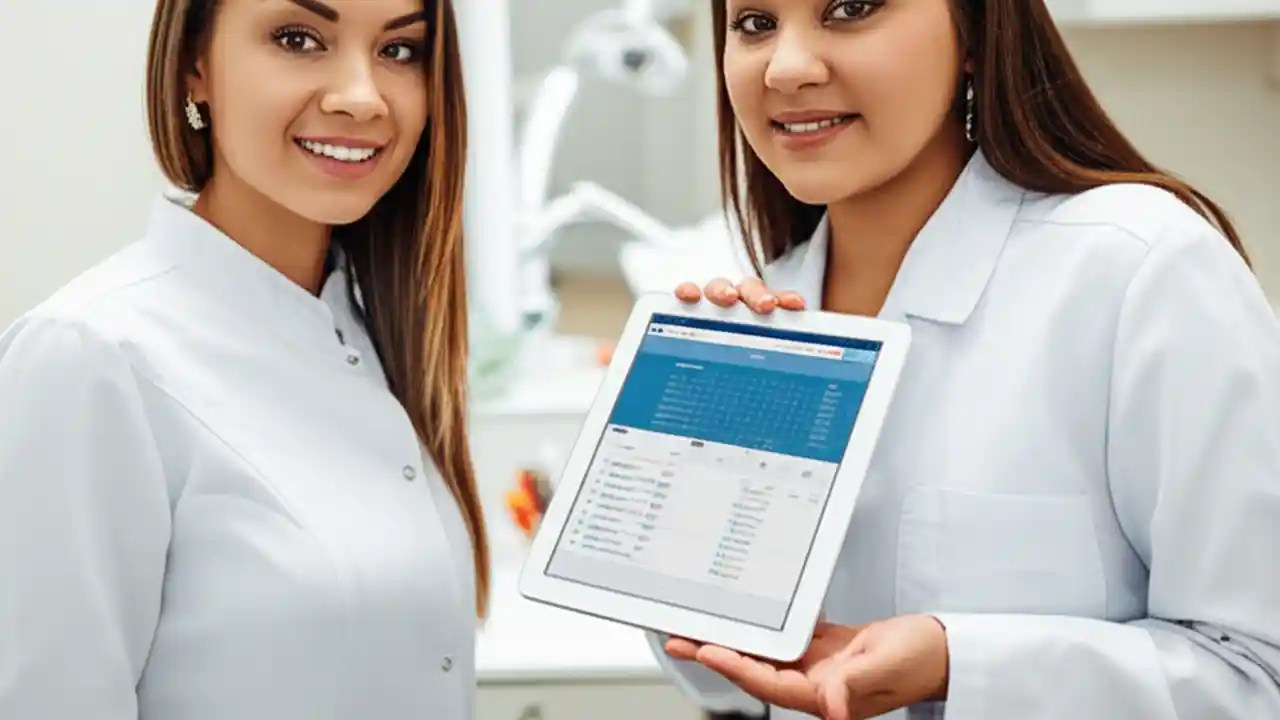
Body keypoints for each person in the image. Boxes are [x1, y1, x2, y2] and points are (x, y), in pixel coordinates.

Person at [649, 1, 1280, 719]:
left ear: (976, 33)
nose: (787, 67)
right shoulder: (761, 313)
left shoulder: (1142, 268)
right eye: (755, 24)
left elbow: (1256, 674)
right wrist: (686, 501)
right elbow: (719, 680)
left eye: (851, 8)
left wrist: (961, 663)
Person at [0, 1, 489, 718]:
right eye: (299, 39)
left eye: (401, 51)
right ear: (196, 65)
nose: (360, 95)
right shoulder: (89, 356)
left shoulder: (378, 336)